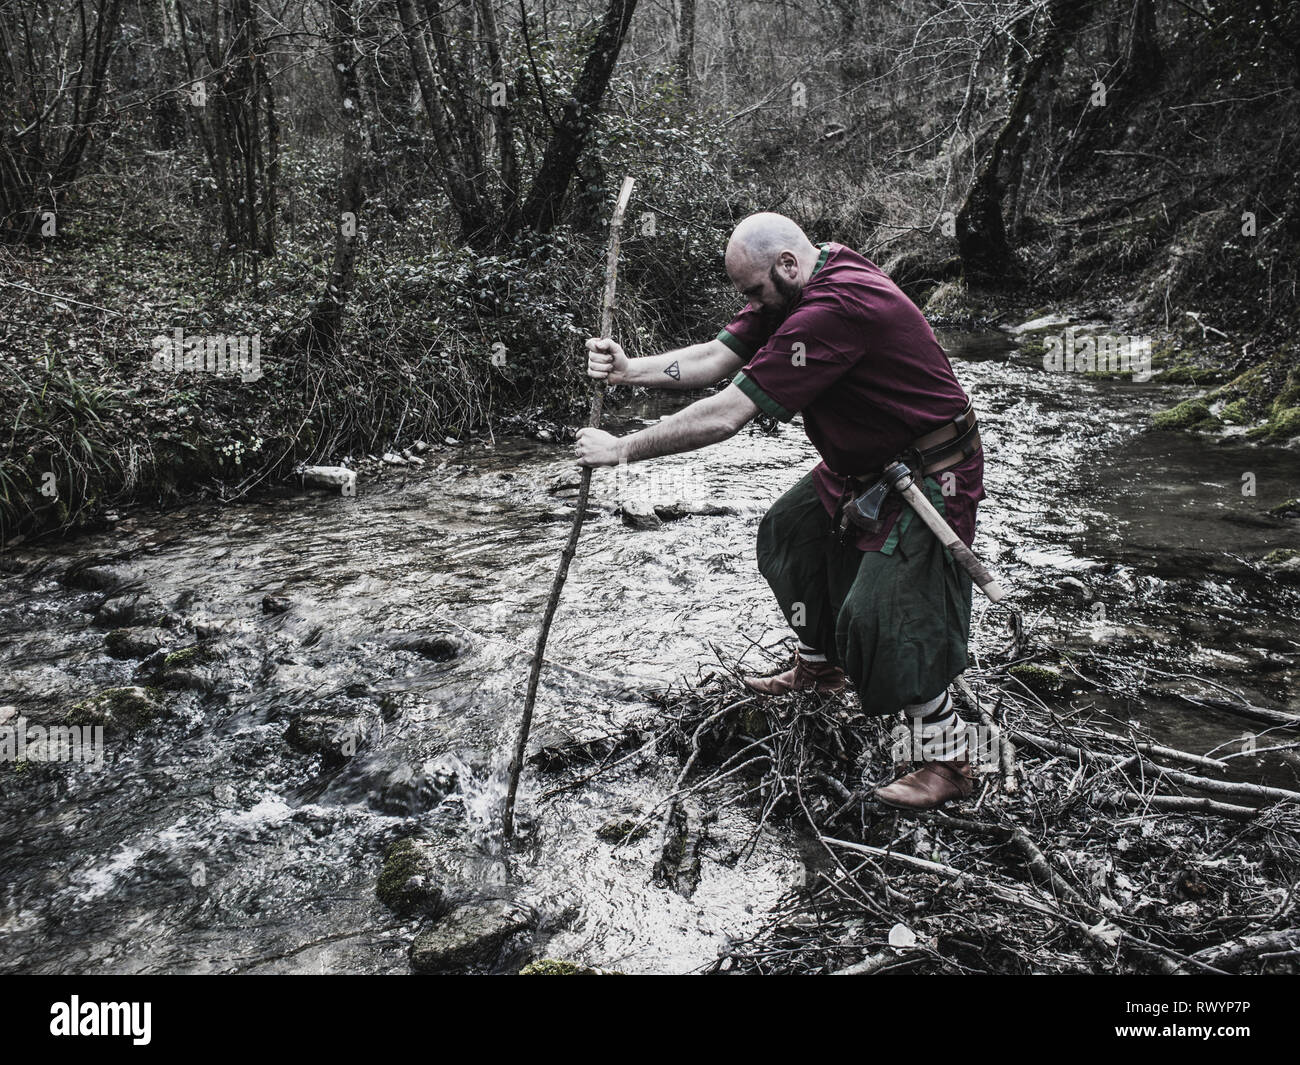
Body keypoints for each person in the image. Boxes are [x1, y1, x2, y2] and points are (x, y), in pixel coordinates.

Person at [575, 212, 985, 810]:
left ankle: (949, 760)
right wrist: (631, 369)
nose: (751, 302)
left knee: (889, 610)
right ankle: (820, 670)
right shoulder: (797, 280)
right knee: (790, 537)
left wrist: (622, 450)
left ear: (787, 266)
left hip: (930, 470)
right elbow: (719, 357)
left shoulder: (835, 309)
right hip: (864, 466)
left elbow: (727, 412)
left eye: (753, 291)